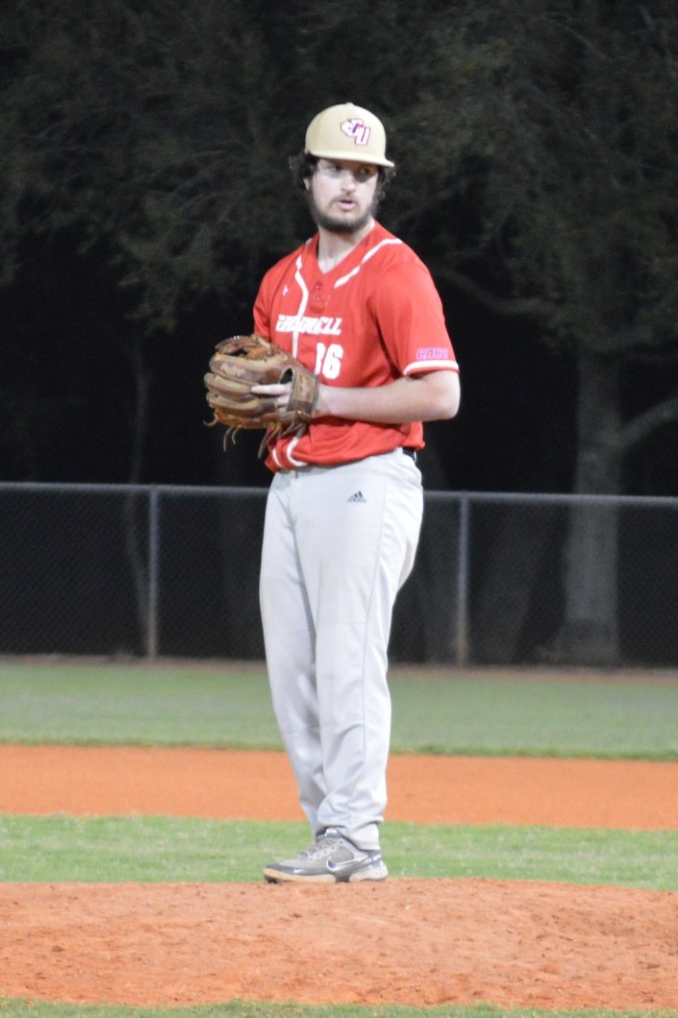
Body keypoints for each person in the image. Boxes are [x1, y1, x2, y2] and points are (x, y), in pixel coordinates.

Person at [244, 103, 461, 884]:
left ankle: (356, 833)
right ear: (308, 174)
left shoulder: (397, 273)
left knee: (347, 663)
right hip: (294, 485)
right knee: (294, 674)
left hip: (369, 480)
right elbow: (274, 388)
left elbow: (440, 395)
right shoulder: (281, 281)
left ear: (380, 185)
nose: (350, 184)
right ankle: (331, 839)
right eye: (337, 167)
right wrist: (267, 399)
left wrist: (326, 397)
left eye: (365, 173)